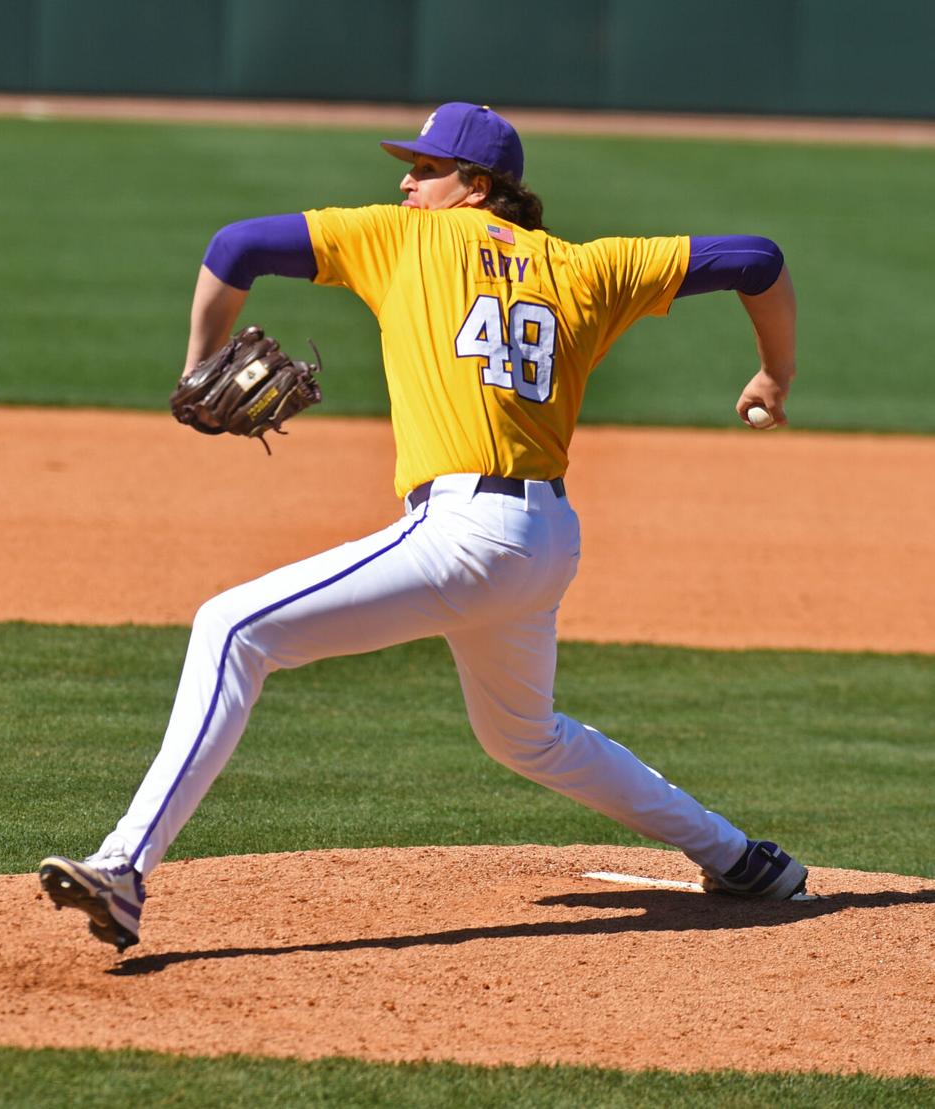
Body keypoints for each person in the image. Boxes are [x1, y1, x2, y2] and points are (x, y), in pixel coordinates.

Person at [40, 102, 806, 952]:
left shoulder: (405, 239)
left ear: (476, 188)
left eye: (425, 170)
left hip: (466, 534)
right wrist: (774, 376)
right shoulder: (593, 267)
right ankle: (742, 859)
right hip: (545, 539)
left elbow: (236, 246)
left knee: (230, 628)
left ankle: (123, 869)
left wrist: (193, 365)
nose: (406, 183)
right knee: (526, 735)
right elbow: (757, 260)